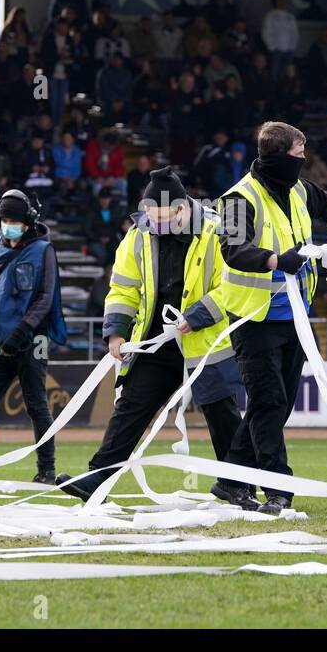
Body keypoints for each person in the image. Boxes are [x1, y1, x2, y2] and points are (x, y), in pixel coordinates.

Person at [55, 169, 245, 500]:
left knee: (221, 413)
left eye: (161, 218)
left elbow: (230, 287)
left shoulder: (217, 230)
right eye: (150, 217)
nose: (155, 224)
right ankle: (97, 479)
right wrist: (116, 333)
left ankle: (235, 484)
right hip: (157, 341)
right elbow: (123, 288)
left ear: (182, 209)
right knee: (130, 409)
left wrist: (196, 317)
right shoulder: (139, 233)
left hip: (206, 341)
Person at [213, 121, 327, 515]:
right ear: (279, 156)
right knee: (268, 399)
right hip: (253, 317)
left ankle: (229, 480)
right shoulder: (235, 199)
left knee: (278, 405)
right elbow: (233, 250)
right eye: (299, 154)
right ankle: (279, 488)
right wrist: (276, 260)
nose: (304, 162)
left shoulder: (298, 189)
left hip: (294, 315)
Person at [0, 191, 68, 483]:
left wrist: (24, 329)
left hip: (30, 341)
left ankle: (46, 470)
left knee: (37, 405)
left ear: (27, 221)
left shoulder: (43, 250)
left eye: (14, 220)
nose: (8, 225)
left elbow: (46, 297)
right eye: (5, 220)